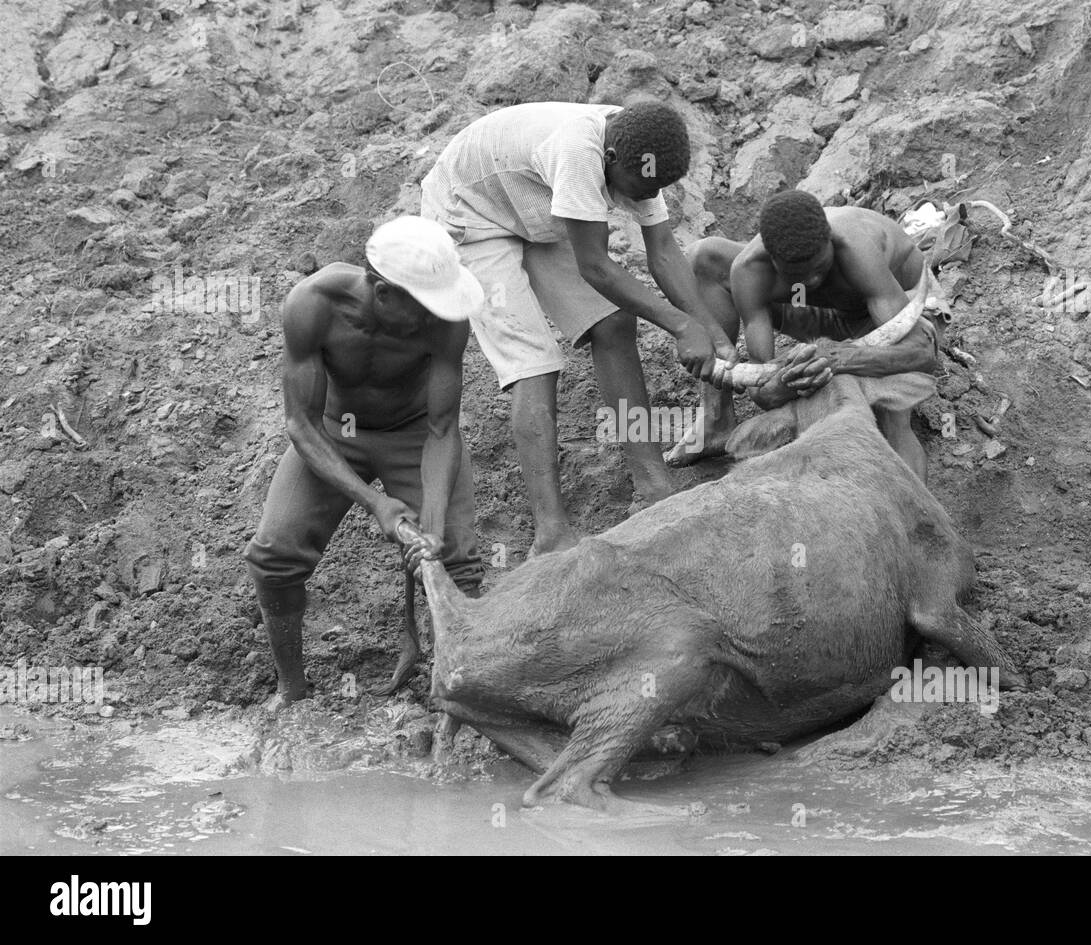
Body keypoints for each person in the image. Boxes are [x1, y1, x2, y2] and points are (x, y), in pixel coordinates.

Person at [421, 100, 727, 554]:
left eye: (653, 191)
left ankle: (652, 480)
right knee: (535, 362)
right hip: (469, 215)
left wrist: (712, 330)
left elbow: (662, 251)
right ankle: (551, 532)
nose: (643, 199)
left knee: (614, 323)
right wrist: (681, 326)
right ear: (611, 160)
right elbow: (596, 267)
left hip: (531, 208)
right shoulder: (580, 153)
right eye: (639, 189)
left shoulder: (644, 151)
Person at [243, 216, 485, 711]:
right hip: (332, 433)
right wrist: (376, 503)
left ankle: (465, 693)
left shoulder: (446, 320)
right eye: (421, 307)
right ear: (381, 291)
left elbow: (443, 429)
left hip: (417, 433)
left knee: (456, 563)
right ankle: (292, 690)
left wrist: (432, 529)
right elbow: (301, 425)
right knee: (274, 556)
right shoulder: (312, 304)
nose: (430, 319)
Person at [667, 189, 940, 482]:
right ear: (772, 259)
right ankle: (716, 420)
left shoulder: (856, 248)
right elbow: (763, 390)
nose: (812, 280)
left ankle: (916, 519)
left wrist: (842, 358)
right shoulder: (749, 269)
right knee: (703, 256)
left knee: (890, 415)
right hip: (816, 308)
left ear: (829, 241)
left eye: (821, 268)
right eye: (798, 275)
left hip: (897, 311)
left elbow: (922, 353)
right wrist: (786, 379)